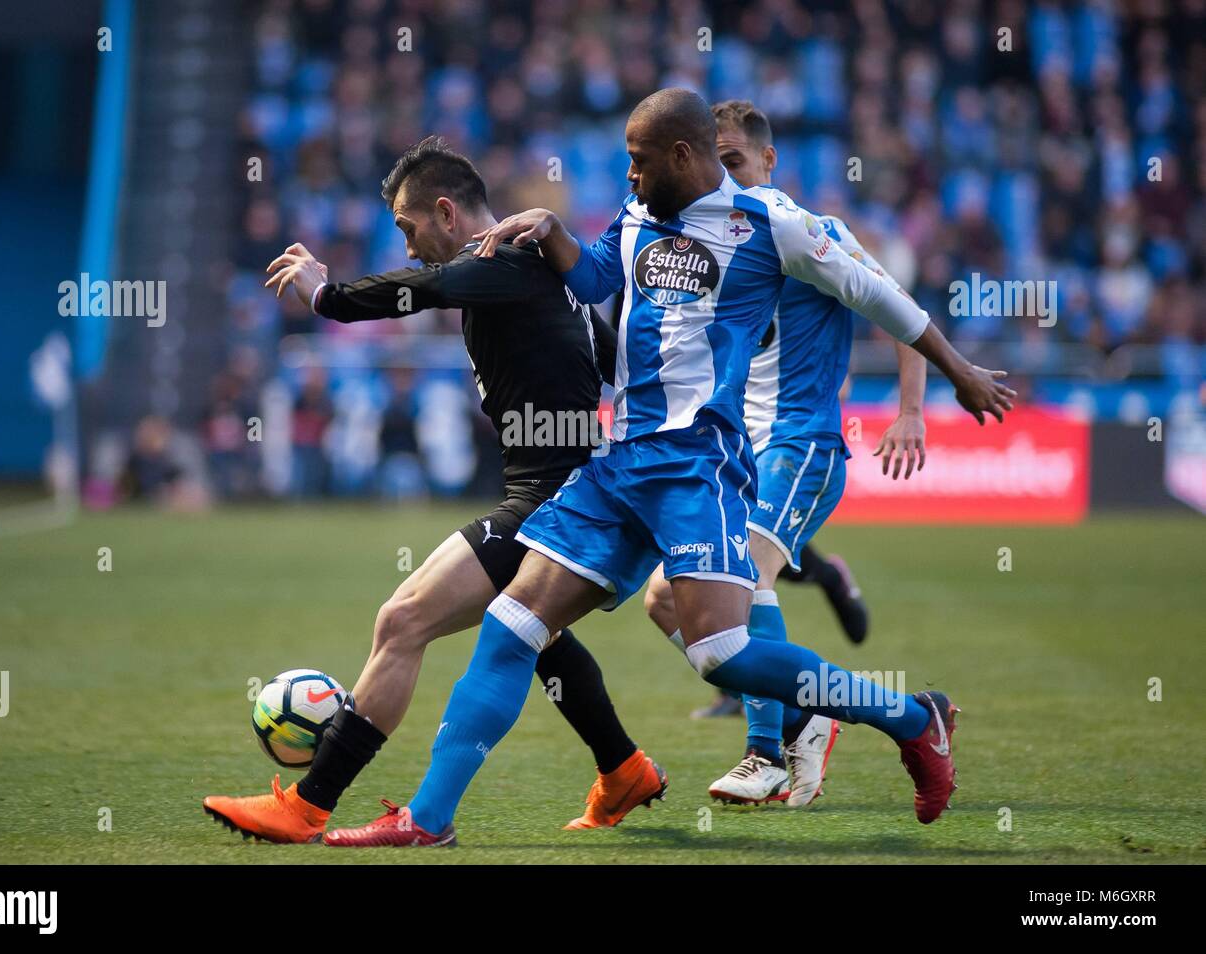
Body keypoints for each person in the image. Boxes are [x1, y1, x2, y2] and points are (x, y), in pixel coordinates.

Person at [323, 89, 1015, 848]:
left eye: (638, 161)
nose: (628, 175)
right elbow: (592, 282)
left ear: (683, 157)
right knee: (512, 624)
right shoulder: (637, 221)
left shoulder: (771, 224)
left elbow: (876, 293)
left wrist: (958, 371)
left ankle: (914, 718)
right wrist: (553, 231)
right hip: (622, 464)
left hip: (699, 466)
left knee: (722, 654)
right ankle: (428, 820)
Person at [203, 136, 664, 845]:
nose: (410, 244)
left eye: (408, 227)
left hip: (553, 502)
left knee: (403, 621)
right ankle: (623, 768)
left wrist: (326, 294)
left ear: (446, 213)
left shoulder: (501, 261)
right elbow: (611, 360)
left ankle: (308, 803)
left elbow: (419, 290)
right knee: (535, 634)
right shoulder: (543, 268)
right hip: (572, 491)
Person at [648, 100, 930, 805]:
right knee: (662, 599)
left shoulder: (813, 233)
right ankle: (803, 713)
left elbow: (898, 308)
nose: (724, 177)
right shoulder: (714, 242)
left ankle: (764, 748)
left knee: (744, 581)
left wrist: (913, 411)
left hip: (800, 444)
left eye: (736, 161)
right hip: (737, 454)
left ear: (769, 162)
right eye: (715, 163)